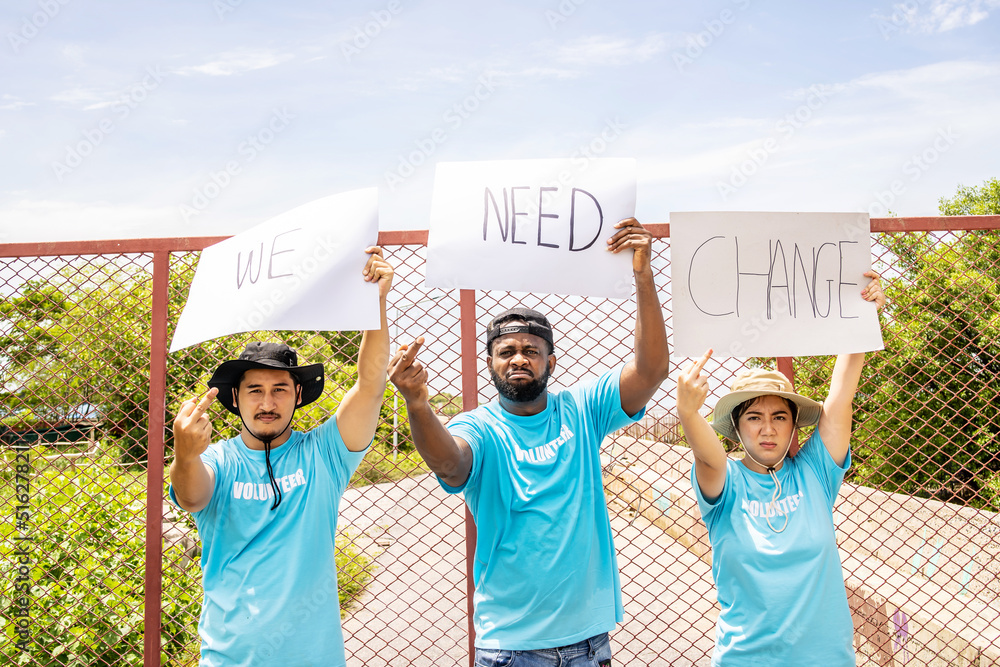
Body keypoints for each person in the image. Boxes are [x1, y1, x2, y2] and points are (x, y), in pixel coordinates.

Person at [389, 218, 671, 666]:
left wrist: (643, 276)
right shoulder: (478, 426)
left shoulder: (581, 409)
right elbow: (451, 466)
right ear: (490, 364)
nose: (519, 359)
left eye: (531, 351)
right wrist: (419, 405)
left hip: (588, 641)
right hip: (511, 647)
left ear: (550, 361)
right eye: (506, 352)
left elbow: (652, 370)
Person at [169, 246, 393, 666]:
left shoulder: (325, 453)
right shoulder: (217, 460)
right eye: (255, 390)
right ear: (235, 398)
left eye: (280, 390)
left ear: (298, 397)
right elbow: (192, 497)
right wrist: (184, 454)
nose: (267, 401)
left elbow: (370, 384)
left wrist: (375, 302)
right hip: (229, 658)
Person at [676, 271, 886, 666]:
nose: (768, 429)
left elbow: (840, 400)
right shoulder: (726, 482)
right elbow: (708, 455)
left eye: (779, 416)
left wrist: (863, 318)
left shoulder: (815, 474)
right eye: (754, 417)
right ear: (736, 427)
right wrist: (687, 411)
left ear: (794, 425)